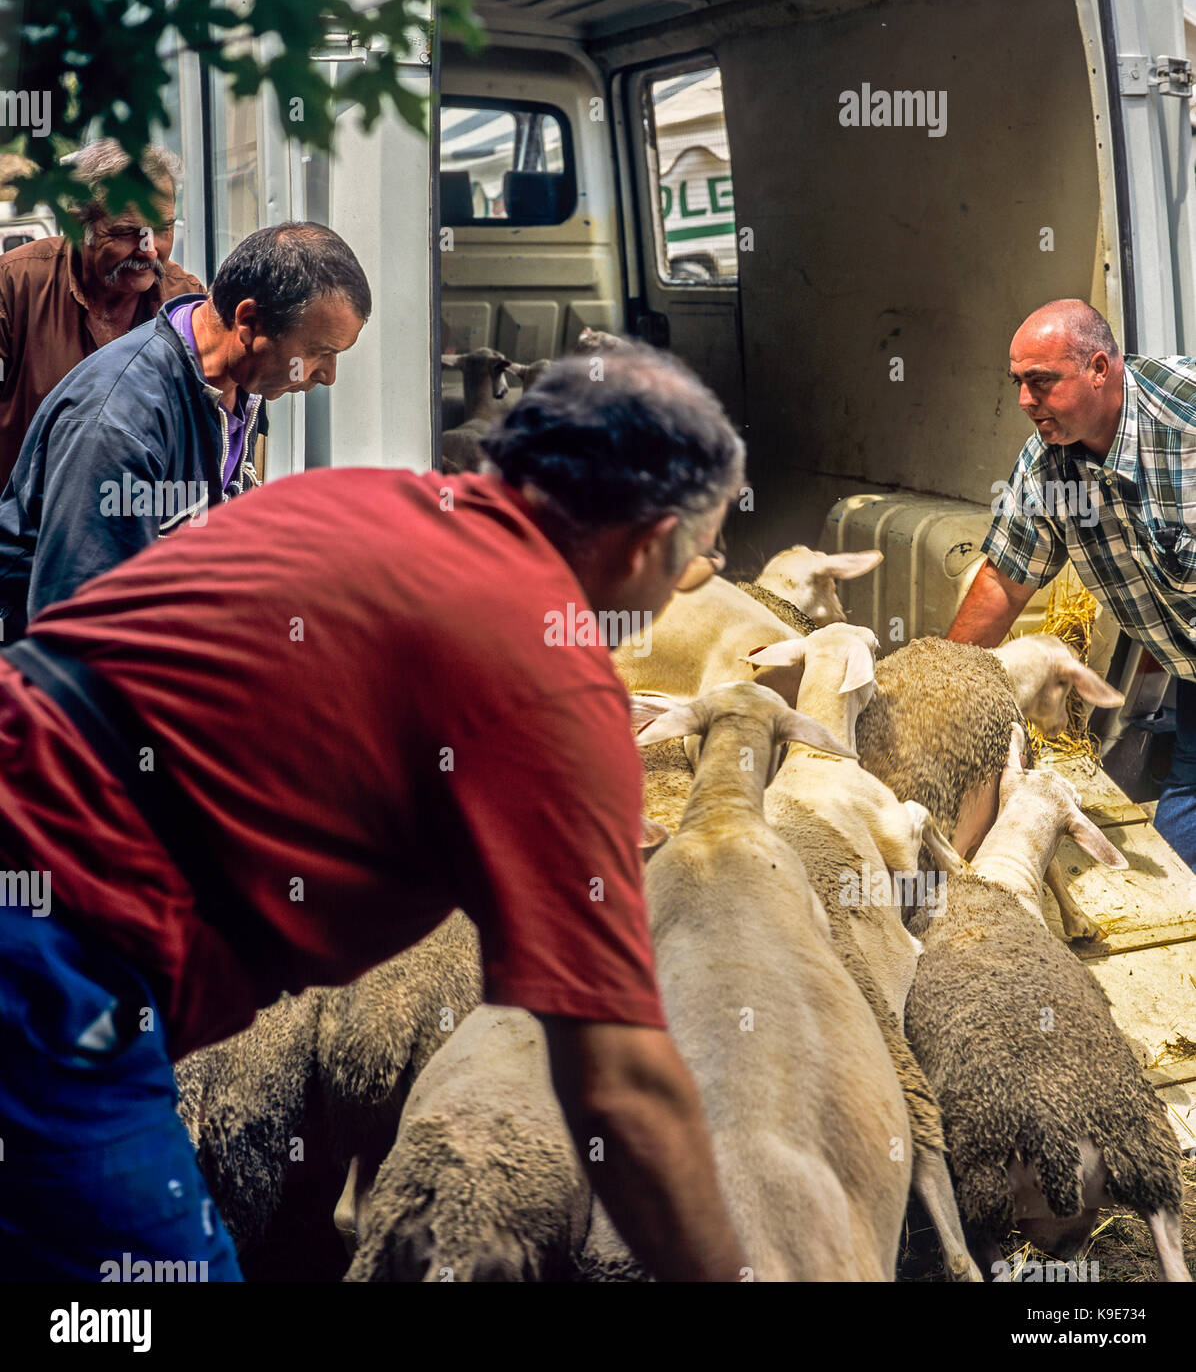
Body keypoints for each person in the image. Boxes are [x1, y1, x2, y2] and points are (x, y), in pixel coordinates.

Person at [0, 345, 750, 1282]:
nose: (692, 580)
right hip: (55, 955)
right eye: (700, 553)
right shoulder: (549, 679)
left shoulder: (350, 500)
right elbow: (620, 1084)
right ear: (648, 544)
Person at [0, 221, 369, 642]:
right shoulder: (117, 426)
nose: (328, 376)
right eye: (320, 352)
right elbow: (84, 636)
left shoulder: (236, 388)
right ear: (248, 321)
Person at [947, 298, 1196, 866]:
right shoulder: (1047, 469)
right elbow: (1003, 585)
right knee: (1181, 864)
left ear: (1099, 369)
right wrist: (941, 692)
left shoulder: (1187, 411)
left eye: (1040, 381)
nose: (1023, 401)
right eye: (1017, 383)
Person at [0, 140, 204, 486]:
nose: (149, 250)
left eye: (163, 229)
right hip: (25, 528)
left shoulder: (185, 302)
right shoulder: (15, 284)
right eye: (127, 233)